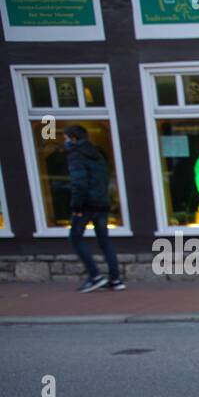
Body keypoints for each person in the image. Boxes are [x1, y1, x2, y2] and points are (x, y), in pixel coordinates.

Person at [64, 125, 123, 293]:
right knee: (104, 241)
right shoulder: (97, 154)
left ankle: (95, 276)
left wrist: (76, 206)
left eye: (66, 138)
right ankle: (115, 279)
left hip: (86, 204)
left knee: (75, 238)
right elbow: (104, 177)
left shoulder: (75, 154)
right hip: (102, 202)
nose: (65, 142)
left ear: (73, 138)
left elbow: (79, 182)